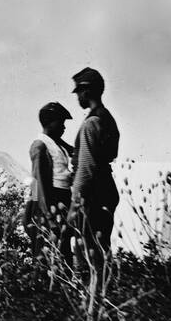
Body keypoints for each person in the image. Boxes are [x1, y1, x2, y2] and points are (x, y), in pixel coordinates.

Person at [68, 67, 120, 266]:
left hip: (92, 196)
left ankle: (90, 294)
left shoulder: (91, 123)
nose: (78, 97)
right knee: (101, 249)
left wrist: (75, 203)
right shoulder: (108, 119)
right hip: (106, 189)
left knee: (87, 256)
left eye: (79, 92)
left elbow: (86, 167)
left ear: (86, 92)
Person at [23, 102, 76, 258]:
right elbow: (37, 183)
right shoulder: (40, 146)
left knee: (62, 252)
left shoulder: (56, 144)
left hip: (60, 201)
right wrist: (49, 216)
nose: (64, 127)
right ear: (50, 123)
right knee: (45, 255)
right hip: (48, 203)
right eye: (61, 123)